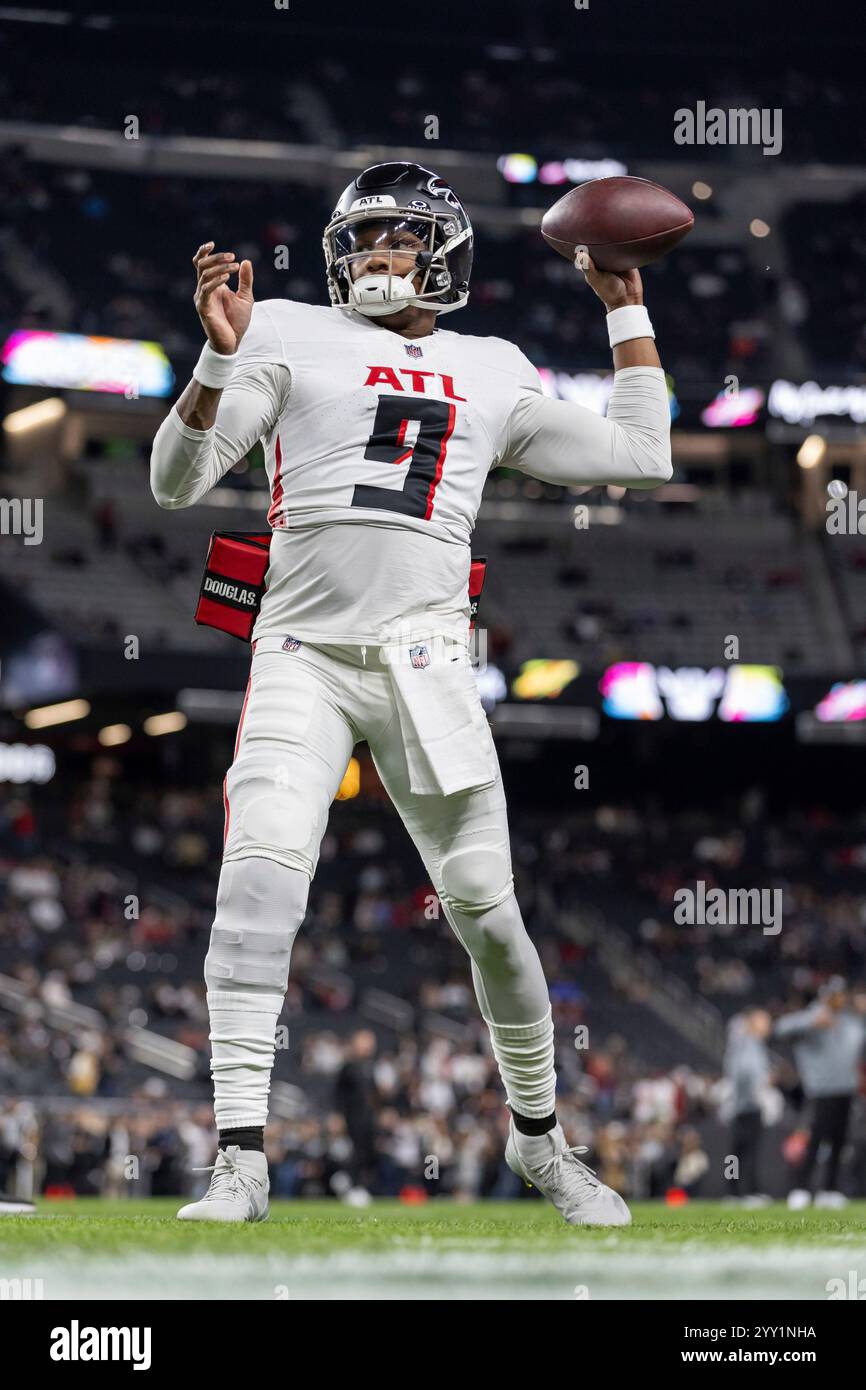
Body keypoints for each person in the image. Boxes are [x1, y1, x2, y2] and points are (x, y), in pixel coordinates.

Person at [151, 161, 672, 1226]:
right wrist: (216, 351)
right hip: (302, 650)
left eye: (395, 238)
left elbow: (641, 450)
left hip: (427, 661)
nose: (374, 256)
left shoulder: (491, 365)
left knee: (487, 911)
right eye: (361, 239)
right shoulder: (287, 328)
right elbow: (176, 479)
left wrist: (627, 310)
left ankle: (540, 1144)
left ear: (442, 253)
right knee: (256, 886)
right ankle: (240, 1160)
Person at [774, 978, 866, 1209]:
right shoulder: (813, 1017)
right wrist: (811, 1021)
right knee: (814, 1140)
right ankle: (801, 1189)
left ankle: (830, 1189)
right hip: (820, 1092)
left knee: (839, 1142)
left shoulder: (850, 1021)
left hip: (846, 1091)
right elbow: (781, 1028)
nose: (838, 999)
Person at [722, 1008, 772, 1202]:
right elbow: (741, 1072)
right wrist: (755, 1090)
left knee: (745, 1150)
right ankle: (736, 1190)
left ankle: (742, 1190)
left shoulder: (753, 1044)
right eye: (763, 1021)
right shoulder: (744, 1043)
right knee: (738, 1151)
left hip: (748, 1104)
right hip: (743, 1105)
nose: (767, 1026)